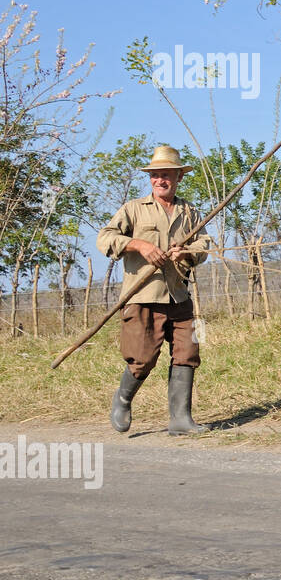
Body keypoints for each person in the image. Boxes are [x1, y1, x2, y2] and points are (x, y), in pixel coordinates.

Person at [96, 145, 215, 435]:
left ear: (178, 178)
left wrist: (186, 252)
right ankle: (123, 400)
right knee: (142, 358)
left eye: (167, 175)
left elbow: (204, 245)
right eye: (156, 175)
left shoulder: (190, 211)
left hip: (180, 295)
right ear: (150, 179)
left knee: (188, 352)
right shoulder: (133, 209)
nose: (161, 180)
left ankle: (180, 419)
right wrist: (140, 244)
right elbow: (105, 238)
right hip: (142, 296)